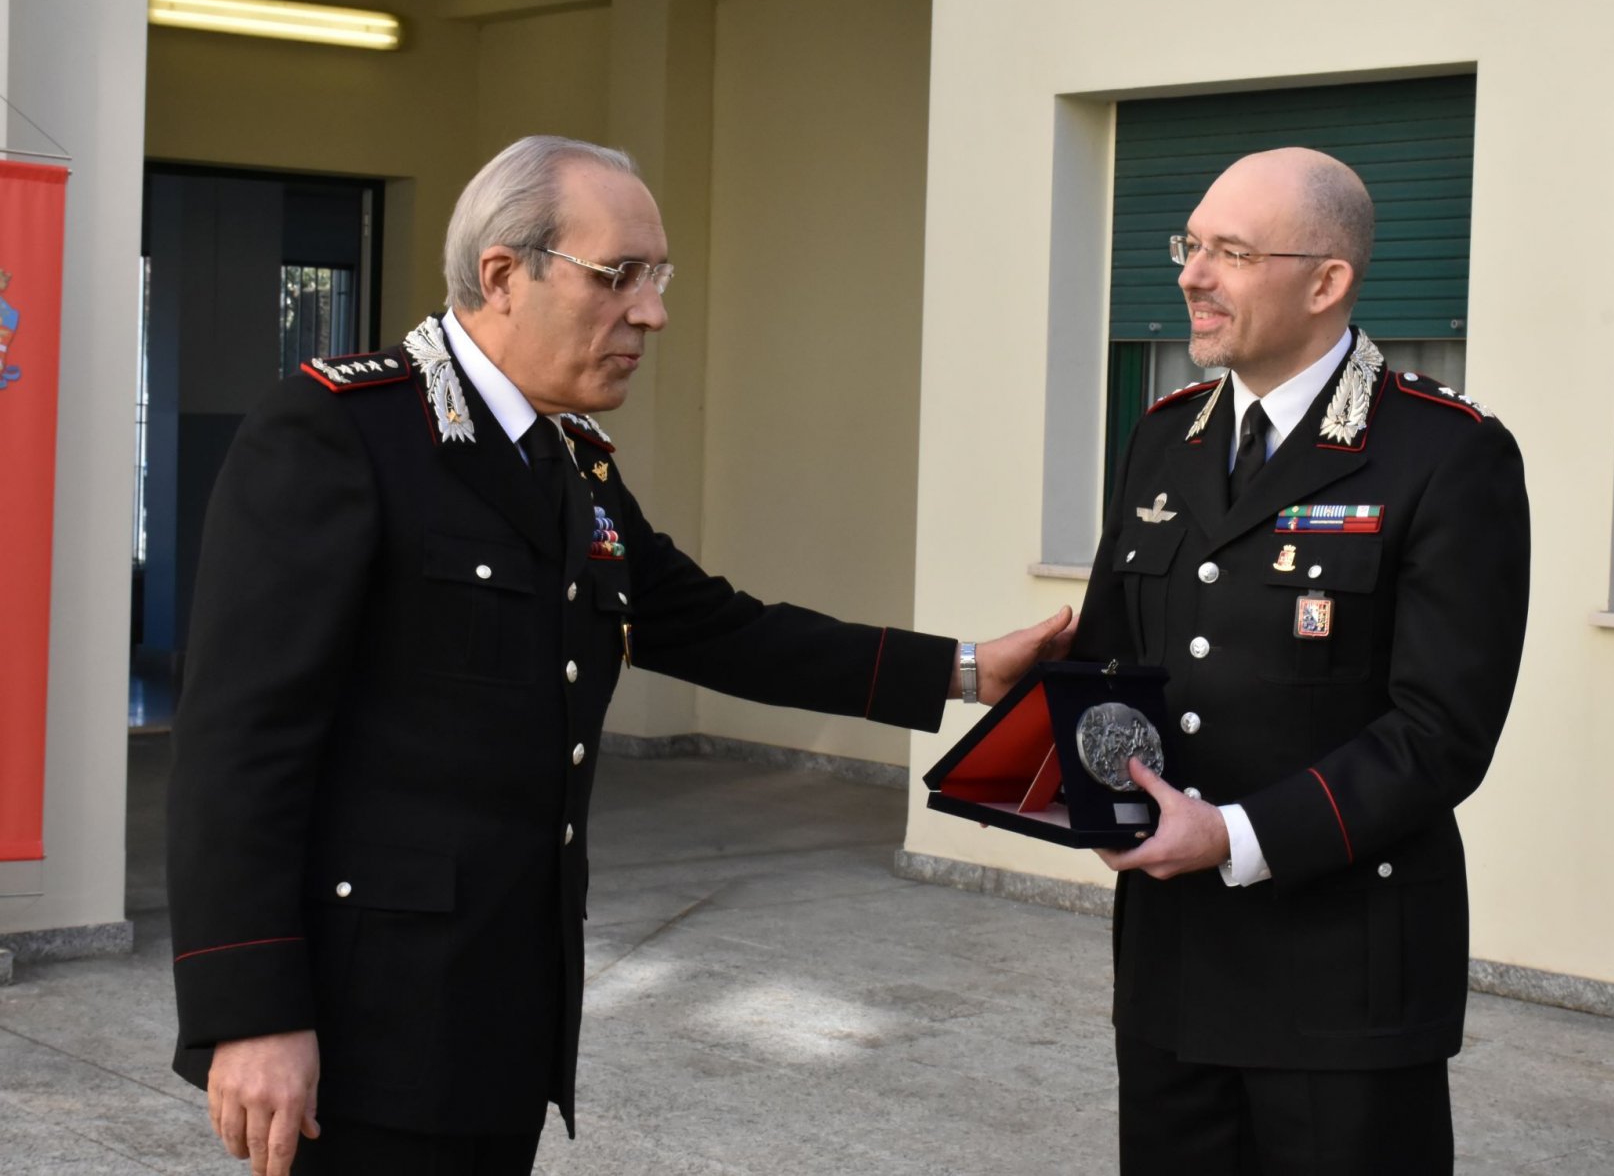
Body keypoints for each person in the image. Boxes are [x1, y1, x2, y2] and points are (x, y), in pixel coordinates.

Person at [166, 135, 1073, 1176]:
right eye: (619, 277)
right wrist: (250, 1012)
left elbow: (718, 625)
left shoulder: (567, 462)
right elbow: (239, 744)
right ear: (505, 274)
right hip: (364, 1018)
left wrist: (967, 670)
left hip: (502, 1007)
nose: (652, 312)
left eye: (659, 277)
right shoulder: (342, 435)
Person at [1075, 148, 1530, 1173]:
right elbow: (1115, 664)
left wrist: (1233, 835)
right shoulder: (1162, 439)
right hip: (1171, 969)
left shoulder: (1446, 454)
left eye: (1231, 251)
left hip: (1342, 980)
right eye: (1189, 244)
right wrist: (1068, 774)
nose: (1192, 274)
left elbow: (1440, 733)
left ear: (1327, 282)